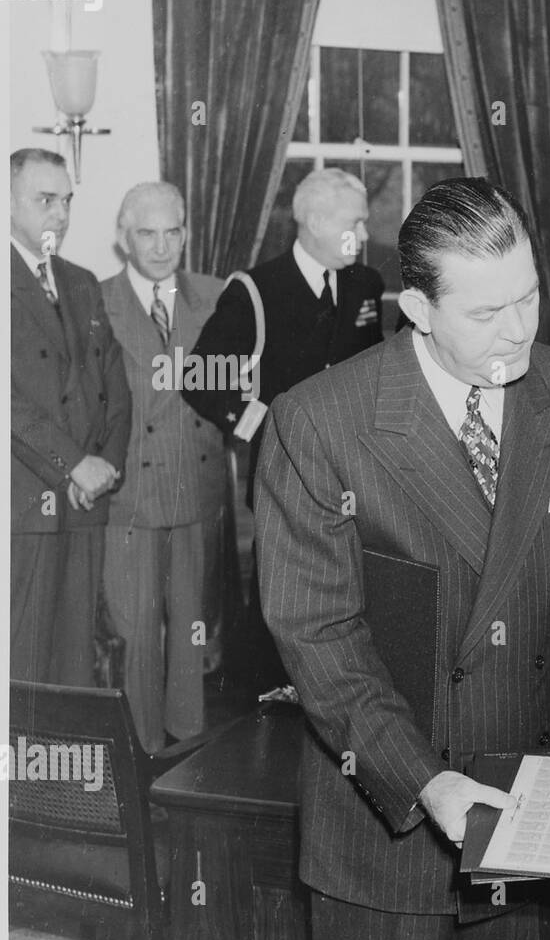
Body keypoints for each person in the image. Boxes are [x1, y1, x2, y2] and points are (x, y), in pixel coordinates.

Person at [254, 177, 550, 940]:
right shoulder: (318, 422)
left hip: (527, 808)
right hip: (383, 826)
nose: (520, 330)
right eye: (486, 313)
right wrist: (427, 785)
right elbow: (320, 641)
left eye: (530, 297)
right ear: (418, 309)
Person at [184, 167, 385, 690]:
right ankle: (264, 712)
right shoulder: (256, 290)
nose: (363, 236)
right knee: (283, 603)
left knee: (349, 601)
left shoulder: (366, 284)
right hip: (283, 478)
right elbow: (200, 377)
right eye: (354, 223)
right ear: (315, 222)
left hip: (354, 479)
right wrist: (267, 427)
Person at [100, 182, 226, 752]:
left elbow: (238, 384)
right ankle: (142, 750)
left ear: (185, 234)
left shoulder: (216, 295)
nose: (160, 245)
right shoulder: (96, 301)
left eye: (171, 231)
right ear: (123, 238)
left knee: (192, 624)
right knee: (136, 629)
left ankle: (188, 742)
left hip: (195, 482)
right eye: (146, 233)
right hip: (130, 489)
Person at [10, 148, 131, 685]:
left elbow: (115, 386)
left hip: (85, 503)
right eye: (44, 200)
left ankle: (63, 771)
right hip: (23, 503)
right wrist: (71, 464)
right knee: (24, 660)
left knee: (75, 660)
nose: (59, 213)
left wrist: (103, 465)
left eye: (66, 201)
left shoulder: (81, 280)